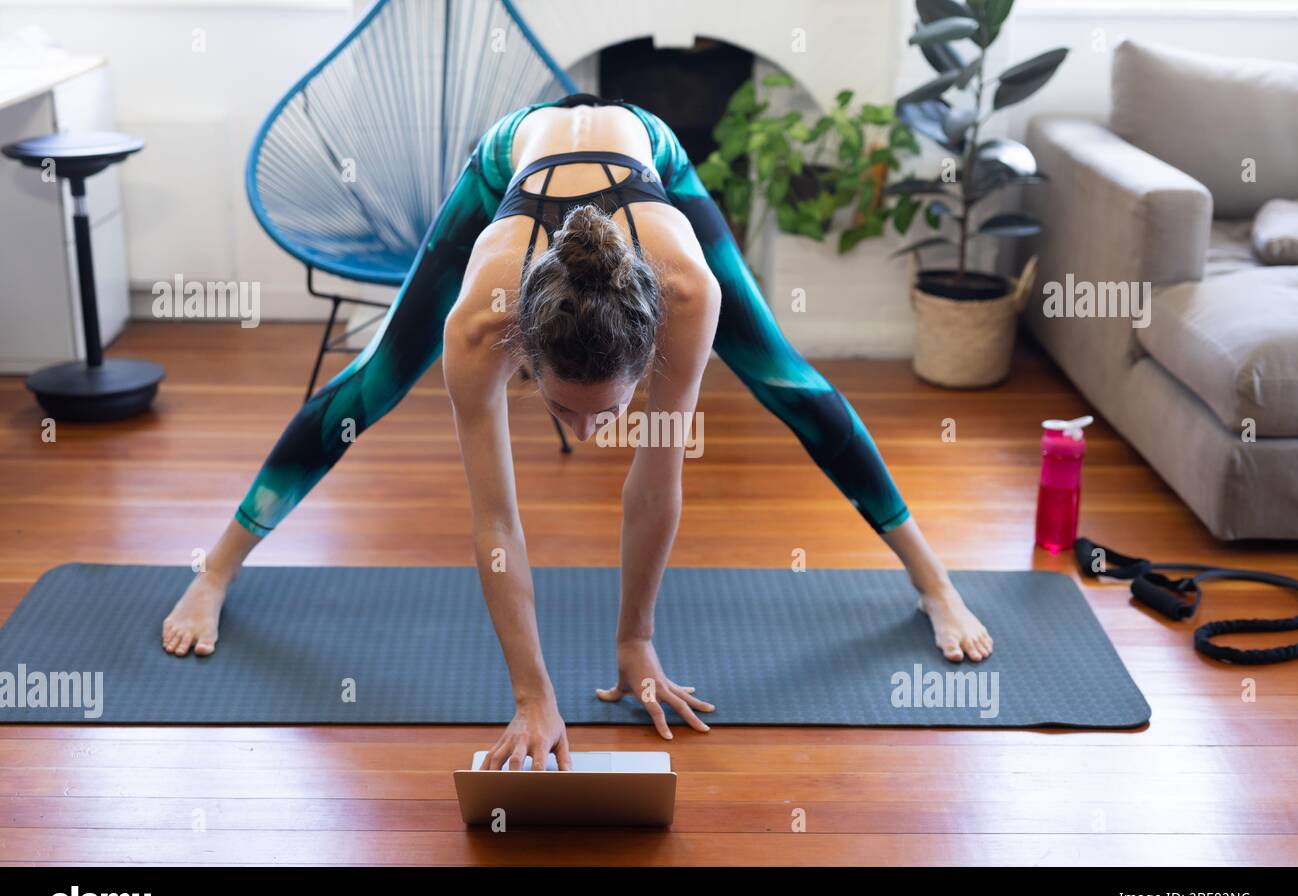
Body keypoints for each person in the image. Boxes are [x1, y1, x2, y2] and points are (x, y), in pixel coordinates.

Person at [162, 93, 993, 769]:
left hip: (647, 155)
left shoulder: (684, 293)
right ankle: (216, 572)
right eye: (566, 412)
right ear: (523, 352)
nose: (593, 434)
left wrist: (636, 642)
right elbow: (495, 523)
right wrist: (532, 694)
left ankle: (934, 580)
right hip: (511, 162)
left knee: (788, 381)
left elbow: (656, 484)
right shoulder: (480, 323)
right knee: (369, 386)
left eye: (609, 411)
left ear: (650, 354)